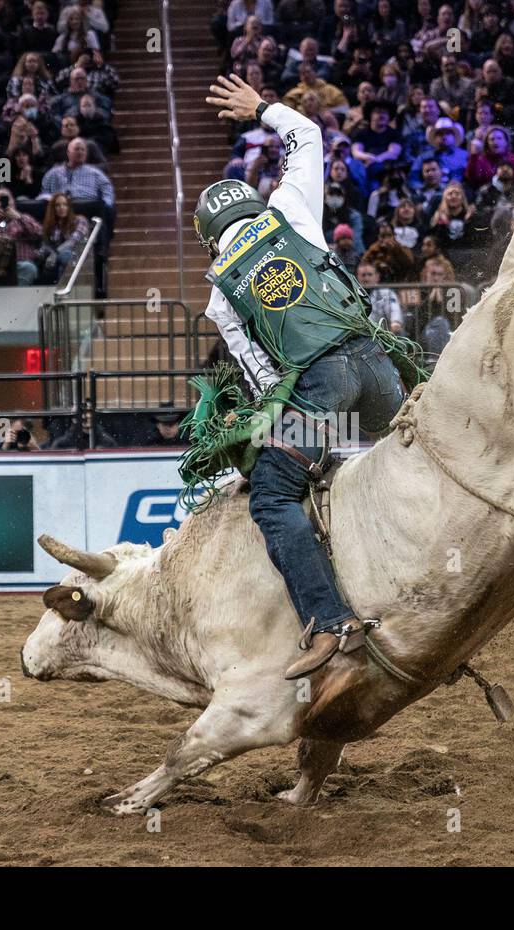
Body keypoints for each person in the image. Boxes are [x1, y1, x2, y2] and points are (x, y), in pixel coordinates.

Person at [196, 74, 408, 679]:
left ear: (212, 241)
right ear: (251, 202)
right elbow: (308, 133)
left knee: (272, 494)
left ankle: (330, 621)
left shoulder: (220, 291)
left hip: (324, 391)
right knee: (415, 442)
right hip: (378, 367)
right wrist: (260, 107)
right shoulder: (289, 208)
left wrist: (277, 435)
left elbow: (266, 378)